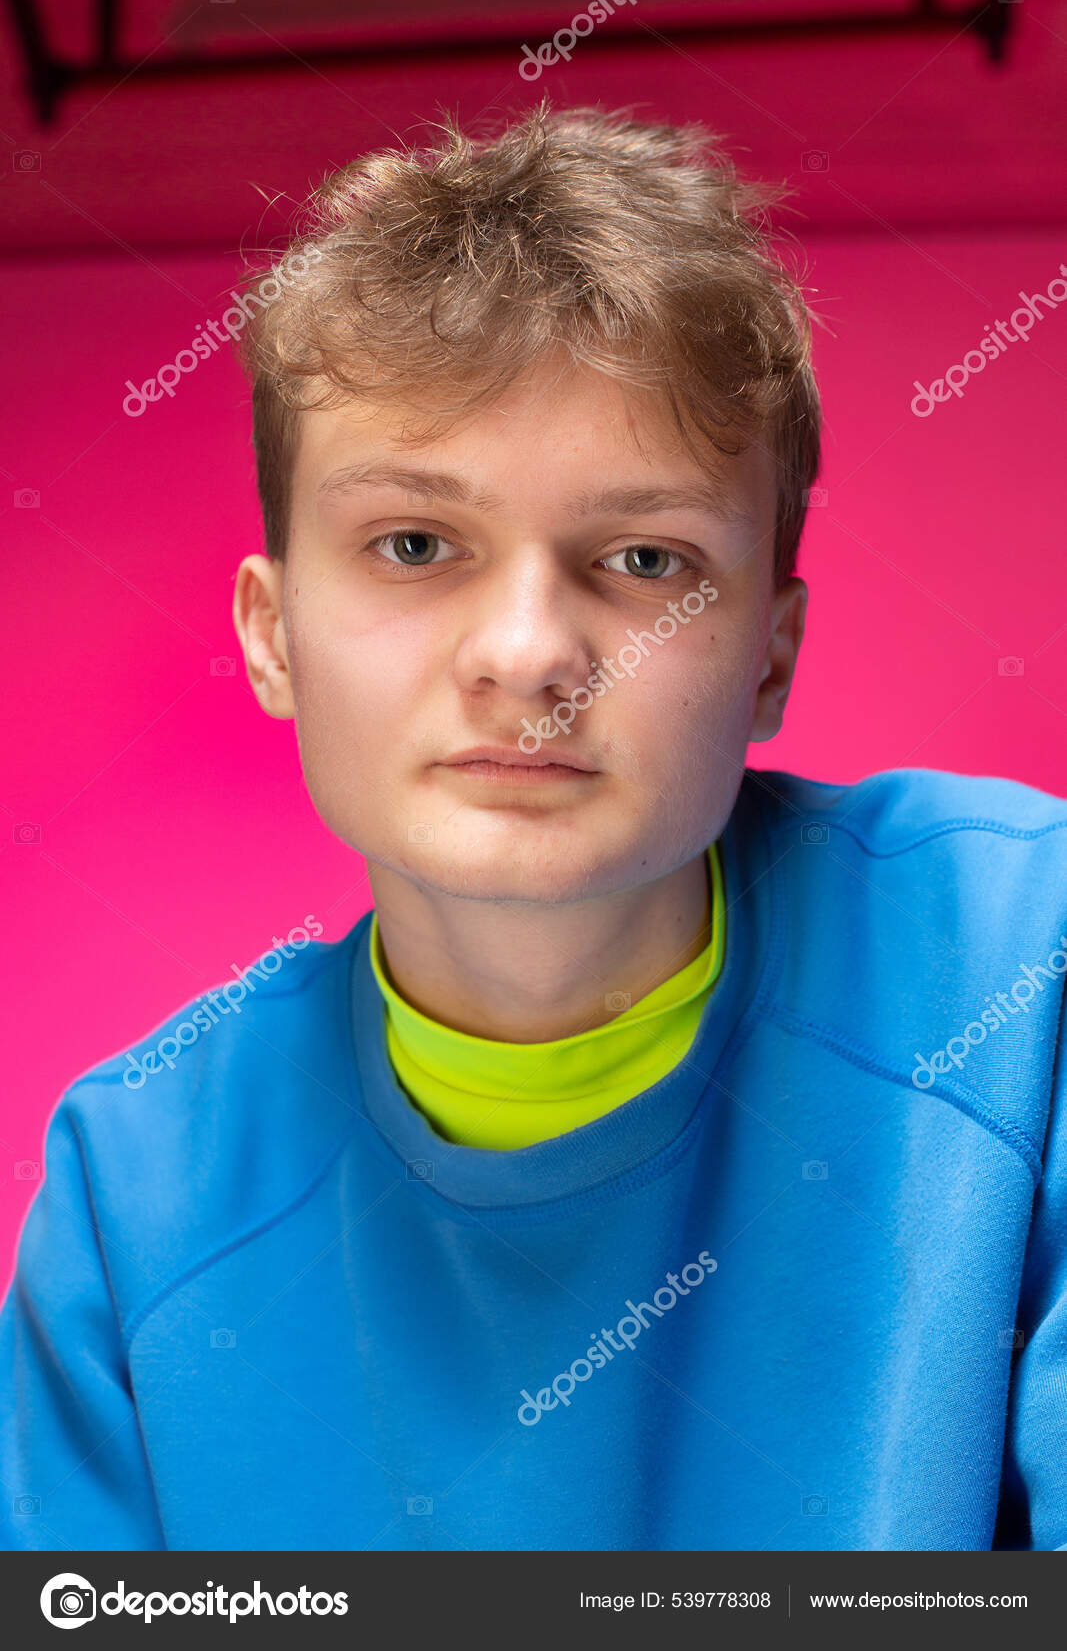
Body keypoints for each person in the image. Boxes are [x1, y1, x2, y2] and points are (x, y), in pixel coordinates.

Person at [2, 101, 1065, 1554]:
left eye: (644, 558)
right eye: (417, 544)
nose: (528, 653)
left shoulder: (1022, 976)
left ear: (768, 652)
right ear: (271, 636)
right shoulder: (139, 1191)